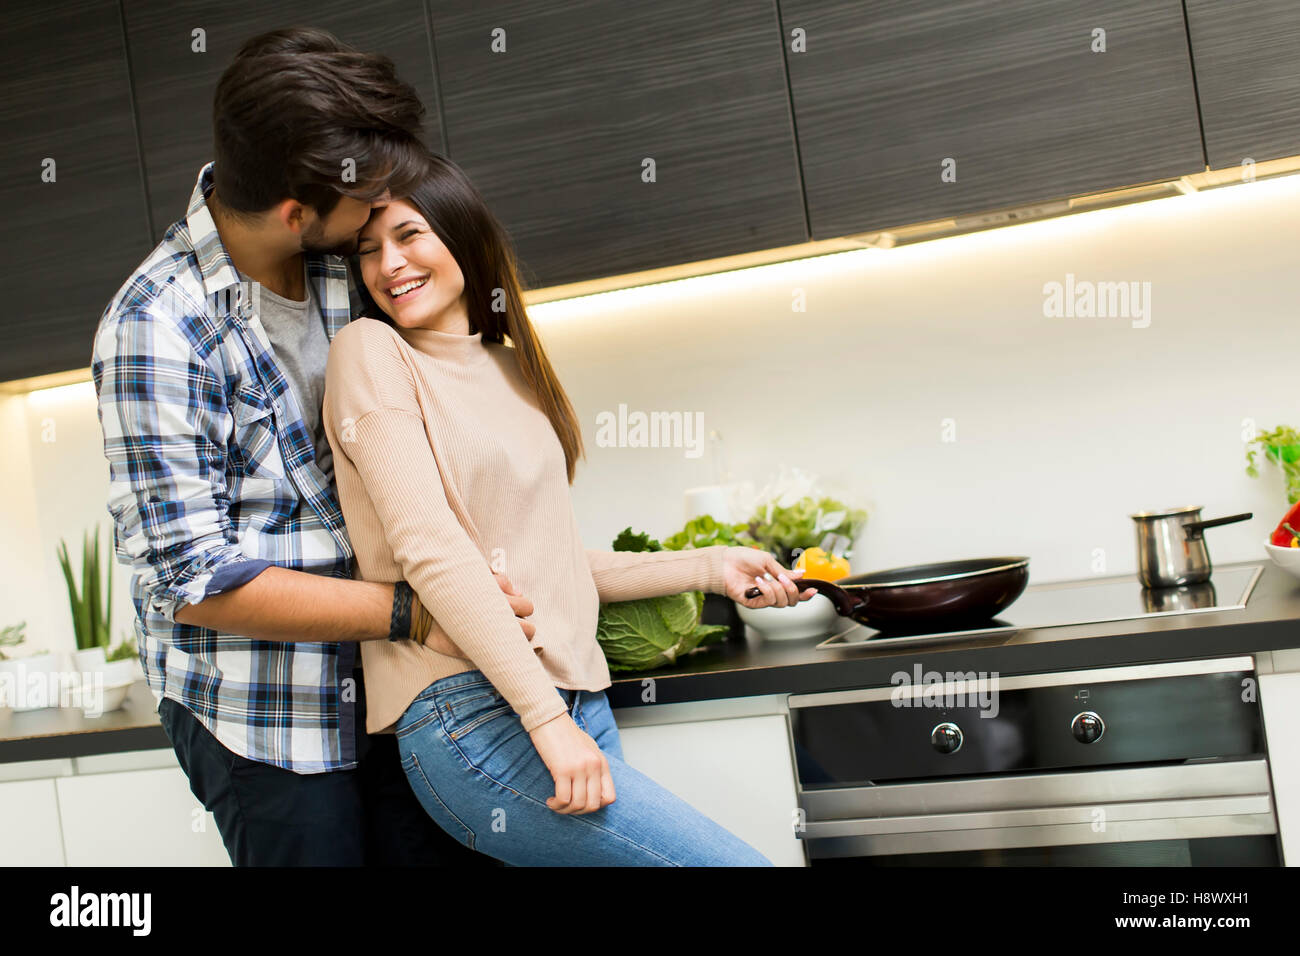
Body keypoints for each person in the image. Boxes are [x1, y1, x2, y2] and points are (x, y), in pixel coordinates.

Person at [91, 27, 526, 867]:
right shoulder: (156, 328)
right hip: (264, 713)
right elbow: (193, 581)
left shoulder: (342, 264)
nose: (385, 221)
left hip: (394, 676)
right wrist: (417, 609)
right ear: (296, 208)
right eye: (370, 204)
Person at [322, 149, 816, 866]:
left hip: (575, 698)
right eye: (368, 251)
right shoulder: (369, 351)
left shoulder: (511, 363)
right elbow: (431, 549)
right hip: (474, 715)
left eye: (409, 235)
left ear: (461, 232)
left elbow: (545, 563)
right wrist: (545, 720)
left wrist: (710, 566)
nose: (388, 264)